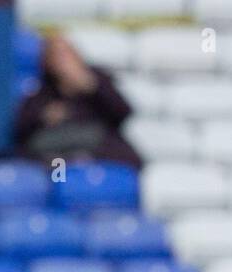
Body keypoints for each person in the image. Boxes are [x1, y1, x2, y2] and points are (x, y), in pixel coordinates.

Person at [13, 32, 142, 170]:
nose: (63, 61)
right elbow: (20, 128)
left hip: (100, 150)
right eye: (56, 56)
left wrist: (92, 87)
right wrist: (44, 116)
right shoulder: (42, 90)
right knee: (55, 168)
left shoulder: (96, 80)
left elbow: (123, 112)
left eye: (66, 54)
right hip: (60, 154)